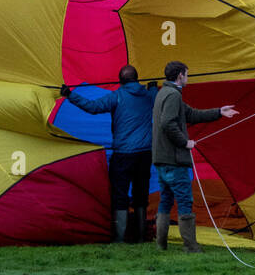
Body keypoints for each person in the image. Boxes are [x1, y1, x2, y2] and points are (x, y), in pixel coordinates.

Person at [60, 66, 158, 244]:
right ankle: (142, 236)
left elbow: (93, 107)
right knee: (141, 194)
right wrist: (152, 87)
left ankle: (119, 239)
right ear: (137, 79)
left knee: (120, 194)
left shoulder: (117, 96)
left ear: (120, 81)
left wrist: (69, 94)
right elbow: (156, 97)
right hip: (145, 154)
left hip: (123, 154)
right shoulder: (148, 96)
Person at [151, 60, 238, 252]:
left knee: (165, 200)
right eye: (187, 74)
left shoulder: (163, 94)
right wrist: (185, 142)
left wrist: (219, 112)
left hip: (161, 158)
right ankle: (190, 246)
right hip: (174, 159)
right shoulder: (173, 95)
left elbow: (191, 114)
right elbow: (168, 123)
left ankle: (160, 244)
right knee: (184, 201)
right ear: (180, 75)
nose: (188, 78)